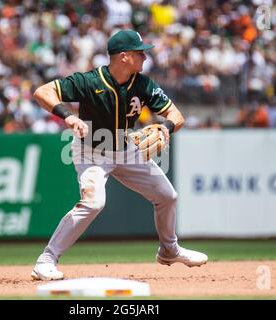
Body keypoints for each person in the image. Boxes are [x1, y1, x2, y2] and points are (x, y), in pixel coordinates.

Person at [31, 29, 208, 281]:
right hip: (91, 151)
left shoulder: (144, 84)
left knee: (168, 196)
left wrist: (165, 128)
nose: (145, 58)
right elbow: (42, 92)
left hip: (126, 149)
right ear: (123, 56)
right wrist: (69, 116)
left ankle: (169, 250)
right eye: (139, 53)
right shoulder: (89, 81)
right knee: (93, 203)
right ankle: (46, 260)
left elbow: (176, 117)